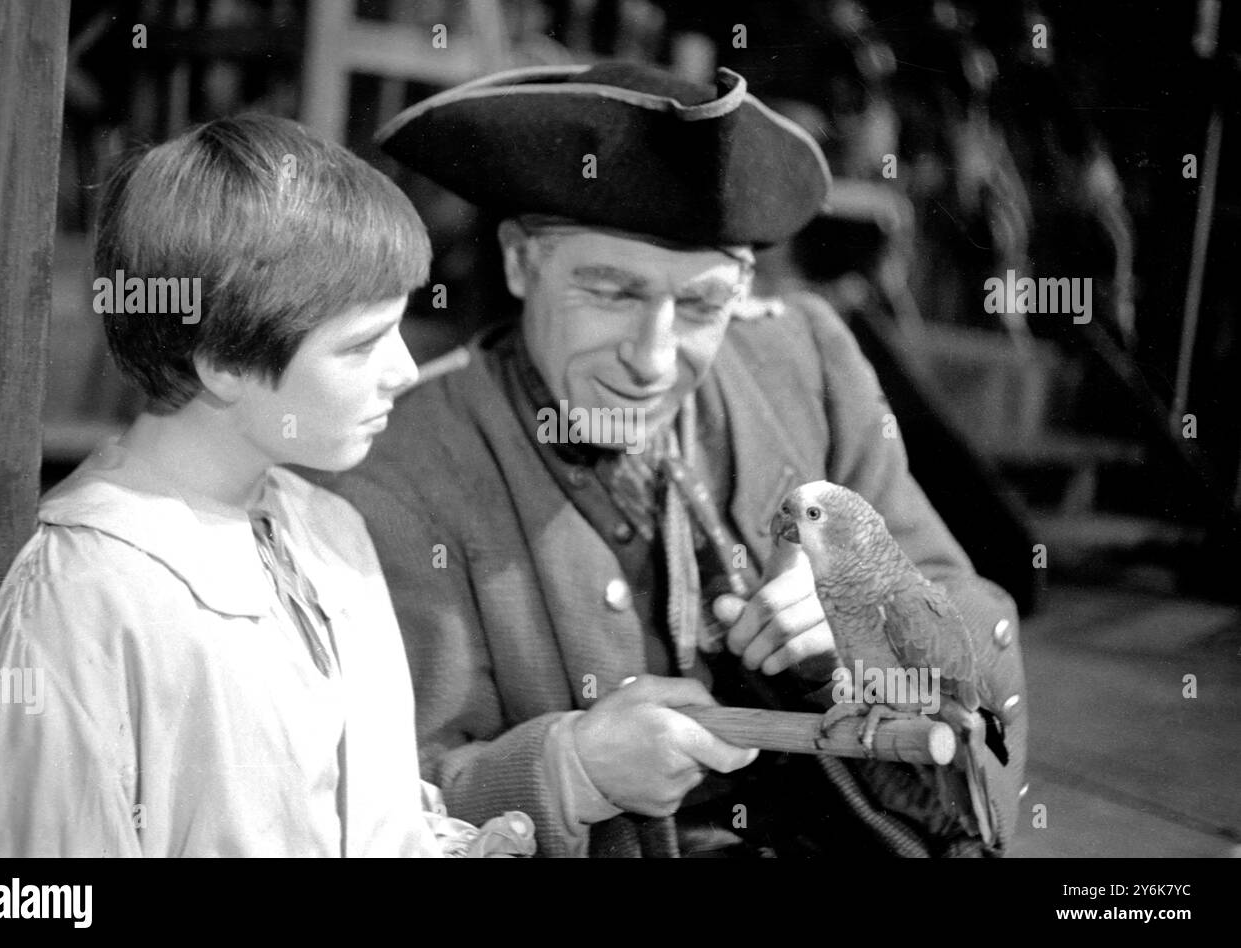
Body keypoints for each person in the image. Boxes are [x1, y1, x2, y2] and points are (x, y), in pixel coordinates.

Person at [328, 63, 1027, 858]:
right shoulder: (402, 469)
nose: (653, 360)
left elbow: (978, 613)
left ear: (744, 286)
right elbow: (371, 800)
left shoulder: (808, 362)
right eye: (613, 292)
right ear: (521, 264)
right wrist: (566, 768)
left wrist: (886, 624)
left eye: (699, 304)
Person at [0, 114, 532, 858]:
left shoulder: (331, 532)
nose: (406, 370)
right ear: (221, 357)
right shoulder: (85, 599)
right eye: (359, 345)